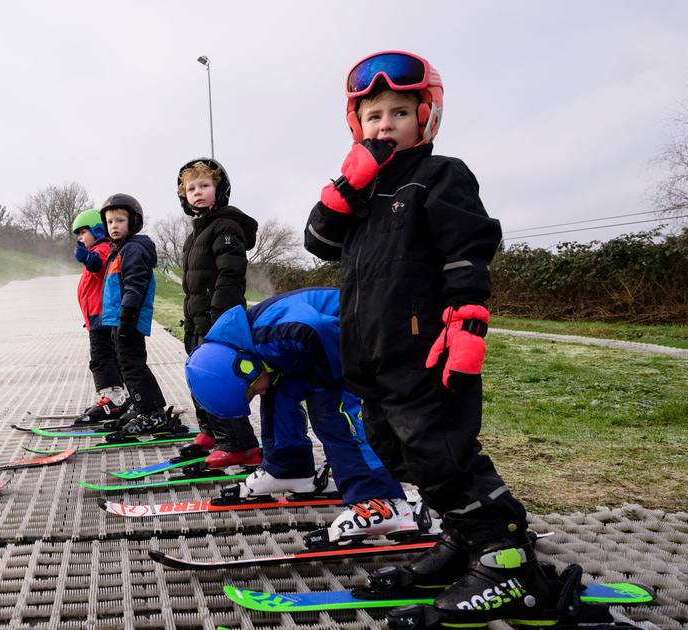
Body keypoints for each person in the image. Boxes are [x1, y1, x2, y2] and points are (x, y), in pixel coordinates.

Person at [304, 50, 551, 622]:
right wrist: (346, 183)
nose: (384, 124)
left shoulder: (441, 176)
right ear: (356, 125)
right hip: (371, 355)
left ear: (427, 118)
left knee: (441, 453)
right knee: (398, 450)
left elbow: (467, 252)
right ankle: (466, 539)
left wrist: (468, 322)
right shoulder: (361, 193)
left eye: (399, 112)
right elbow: (318, 239)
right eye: (373, 116)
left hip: (426, 351)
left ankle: (506, 556)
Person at [185, 288, 419, 543]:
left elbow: (317, 328)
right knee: (277, 394)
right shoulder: (250, 345)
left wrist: (327, 386)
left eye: (251, 391)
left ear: (245, 367)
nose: (257, 392)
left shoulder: (274, 333)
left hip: (370, 330)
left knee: (331, 413)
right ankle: (287, 467)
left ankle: (382, 500)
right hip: (322, 344)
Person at [175, 158, 262, 470]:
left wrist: (217, 318)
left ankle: (240, 446)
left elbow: (230, 275)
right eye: (191, 188)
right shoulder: (194, 235)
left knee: (218, 381)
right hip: (197, 321)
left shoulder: (225, 227)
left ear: (219, 189)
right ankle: (211, 434)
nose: (198, 192)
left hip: (217, 322)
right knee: (198, 380)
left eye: (205, 185)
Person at [98, 193, 184, 441]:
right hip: (120, 319)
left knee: (133, 366)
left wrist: (127, 317)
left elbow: (134, 286)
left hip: (129, 318)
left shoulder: (134, 249)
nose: (114, 226)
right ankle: (144, 406)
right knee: (128, 365)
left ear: (133, 222)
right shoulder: (120, 250)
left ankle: (151, 411)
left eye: (120, 221)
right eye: (110, 222)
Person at [71, 208, 128, 422]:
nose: (80, 238)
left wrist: (87, 257)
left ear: (97, 230)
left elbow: (98, 266)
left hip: (100, 315)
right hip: (95, 316)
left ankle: (113, 398)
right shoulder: (99, 248)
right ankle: (121, 395)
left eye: (83, 232)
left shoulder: (103, 248)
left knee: (101, 357)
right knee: (108, 355)